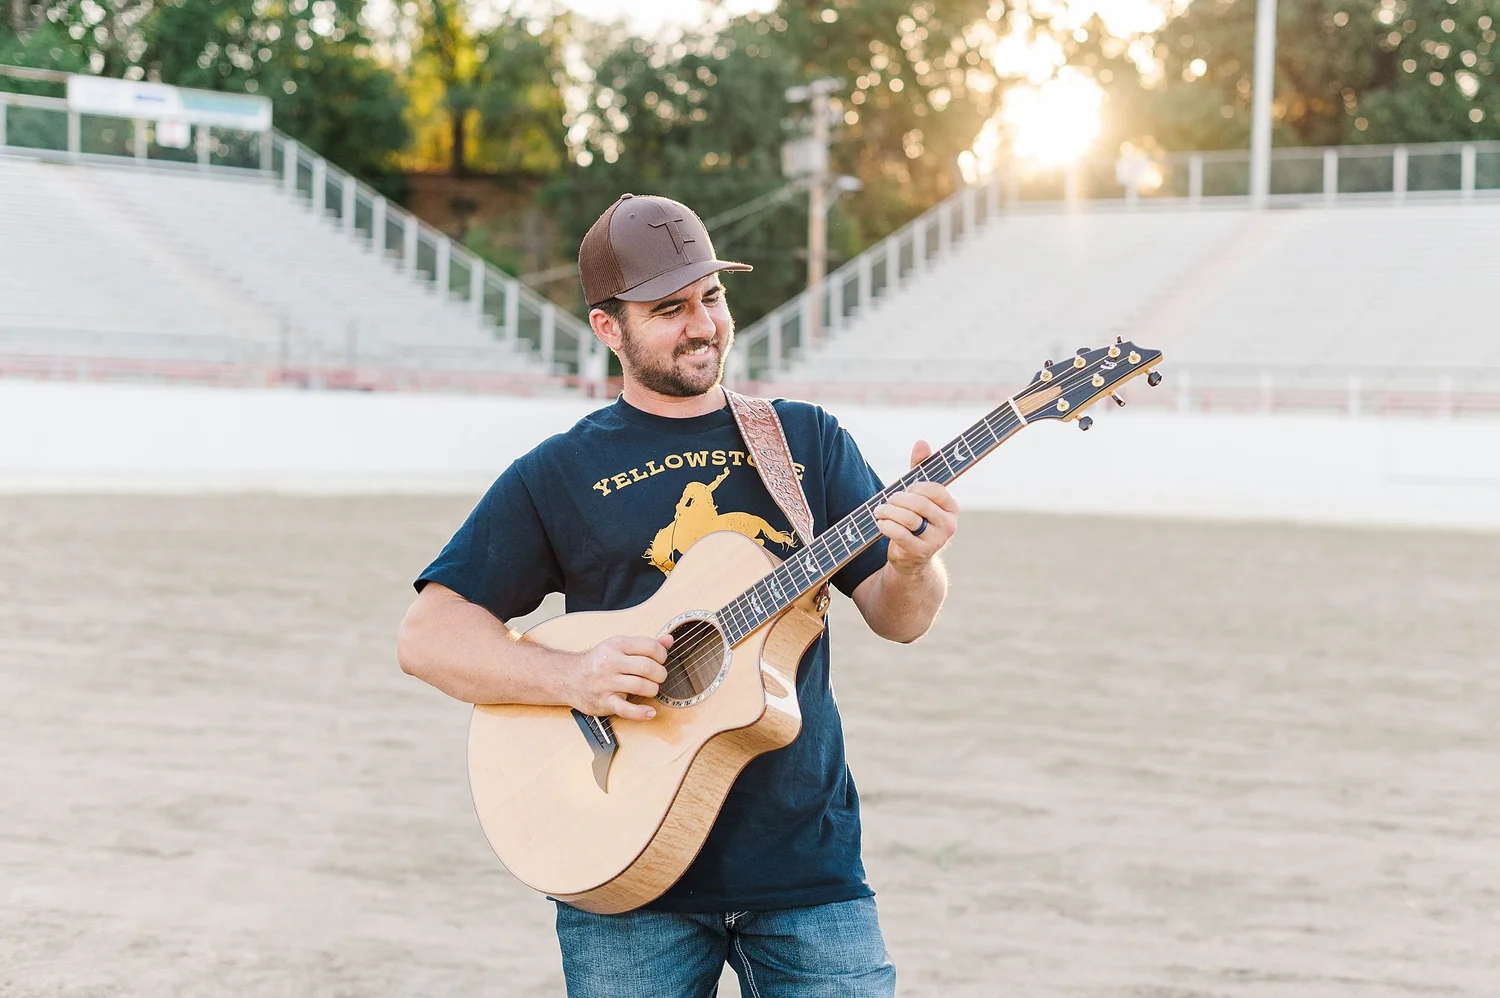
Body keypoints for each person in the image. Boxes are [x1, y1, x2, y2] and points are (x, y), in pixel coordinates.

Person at [396, 193, 959, 998]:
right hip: (624, 872)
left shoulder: (803, 440)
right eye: (669, 308)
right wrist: (572, 675)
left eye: (712, 298)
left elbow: (899, 620)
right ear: (608, 328)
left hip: (807, 865)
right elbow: (427, 636)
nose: (703, 325)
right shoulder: (557, 472)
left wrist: (912, 565)